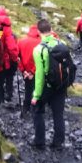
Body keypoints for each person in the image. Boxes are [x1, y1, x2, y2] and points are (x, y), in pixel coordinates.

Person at [30, 19, 71, 149]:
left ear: (38, 32)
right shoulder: (62, 43)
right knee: (58, 114)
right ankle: (58, 142)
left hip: (47, 87)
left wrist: (36, 95)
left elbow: (39, 75)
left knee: (38, 111)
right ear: (51, 29)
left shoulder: (38, 50)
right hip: (61, 86)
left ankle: (39, 141)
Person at [0, 7, 20, 106]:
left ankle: (1, 96)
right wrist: (15, 59)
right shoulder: (8, 31)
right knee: (9, 78)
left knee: (0, 79)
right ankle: (9, 94)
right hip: (7, 61)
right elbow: (12, 48)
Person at [17, 23, 42, 111]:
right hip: (37, 71)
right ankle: (36, 108)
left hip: (25, 71)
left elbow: (17, 57)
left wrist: (23, 70)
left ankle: (26, 108)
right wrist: (32, 71)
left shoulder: (21, 41)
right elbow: (41, 60)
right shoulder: (41, 42)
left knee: (28, 89)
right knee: (37, 88)